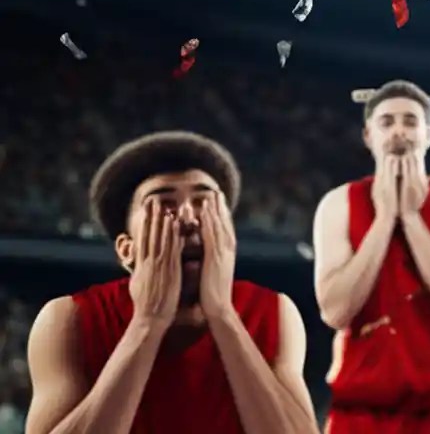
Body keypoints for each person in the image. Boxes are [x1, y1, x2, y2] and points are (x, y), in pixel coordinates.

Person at [24, 131, 318, 434]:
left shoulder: (275, 312)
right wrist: (148, 323)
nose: (189, 218)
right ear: (126, 249)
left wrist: (223, 315)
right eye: (163, 205)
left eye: (205, 203)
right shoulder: (69, 318)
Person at [313, 80, 430, 433]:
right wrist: (384, 219)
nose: (399, 131)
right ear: (368, 136)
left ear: (428, 135)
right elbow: (335, 312)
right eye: (387, 122)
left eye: (410, 121)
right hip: (358, 411)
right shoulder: (337, 204)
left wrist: (411, 217)